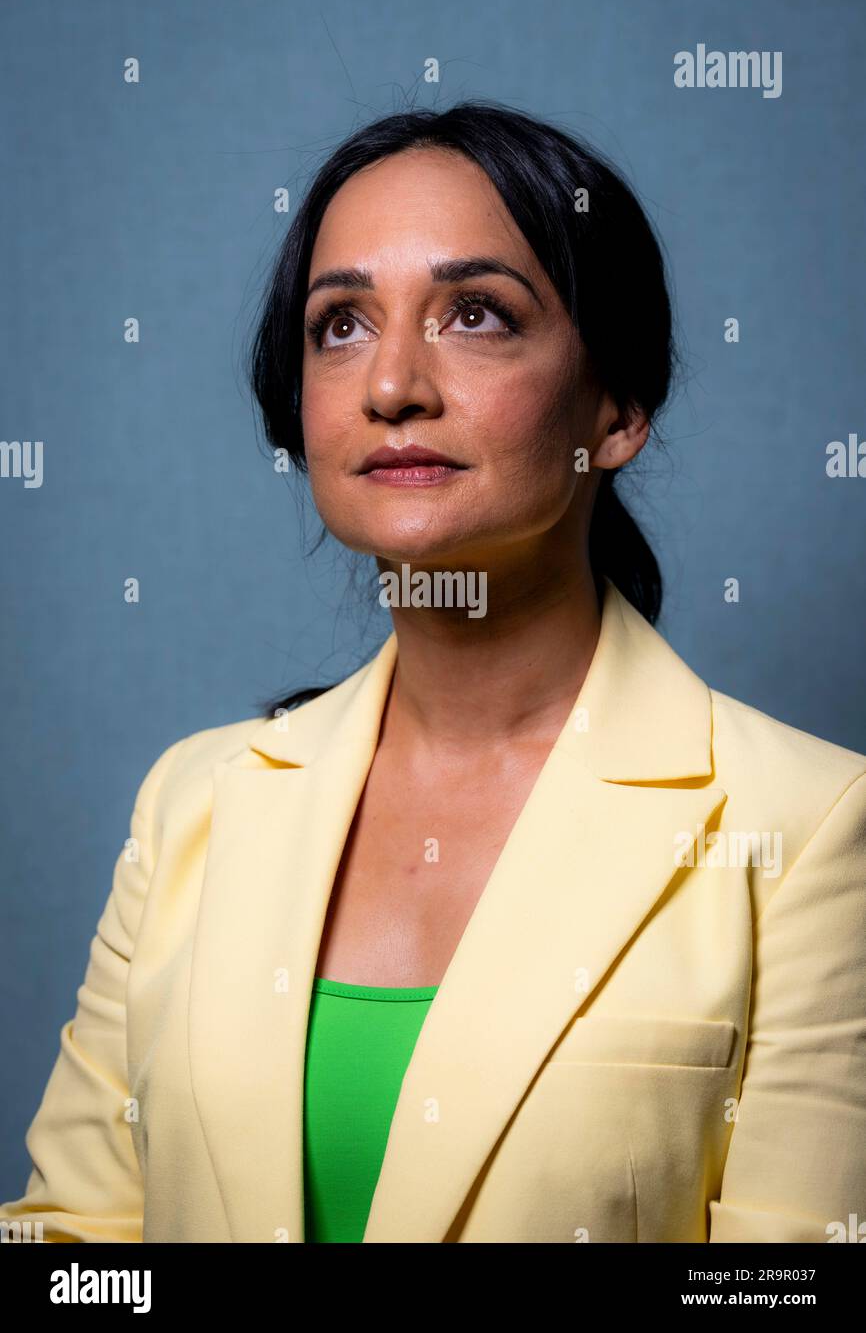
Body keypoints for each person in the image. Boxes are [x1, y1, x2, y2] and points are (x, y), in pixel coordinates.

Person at [2, 102, 864, 1244]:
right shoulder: (191, 807)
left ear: (615, 408)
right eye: (340, 325)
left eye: (475, 314)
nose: (391, 384)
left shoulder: (808, 827)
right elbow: (72, 1250)